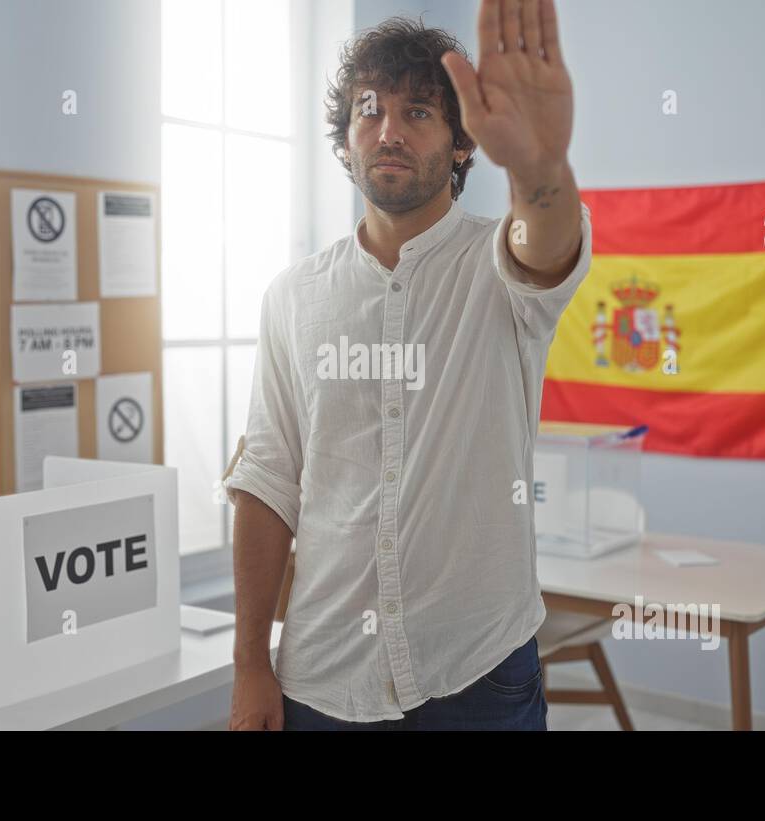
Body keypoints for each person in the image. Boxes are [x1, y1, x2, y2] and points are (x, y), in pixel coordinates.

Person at [225, 0, 591, 730]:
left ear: (461, 146)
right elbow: (267, 481)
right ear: (346, 138)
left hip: (478, 674)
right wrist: (249, 663)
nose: (388, 129)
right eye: (370, 109)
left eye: (419, 111)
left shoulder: (498, 265)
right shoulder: (292, 297)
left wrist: (539, 164)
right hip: (325, 678)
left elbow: (545, 243)